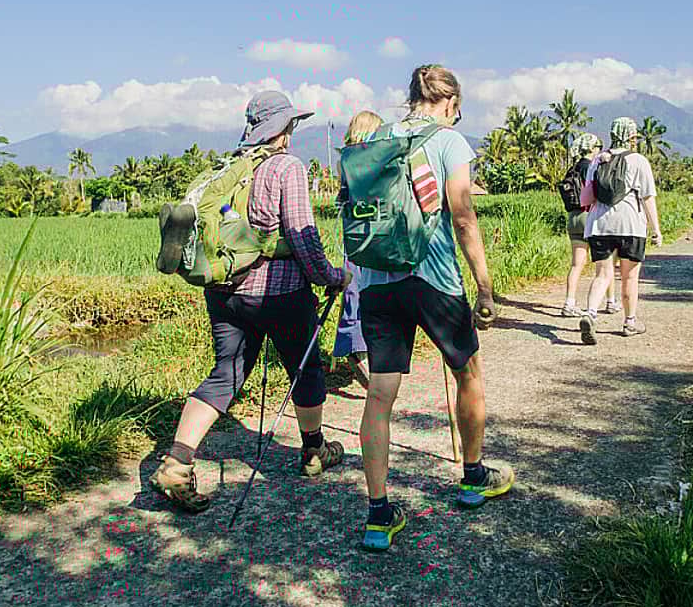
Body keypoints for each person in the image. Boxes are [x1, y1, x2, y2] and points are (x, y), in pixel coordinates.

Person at [149, 91, 349, 513]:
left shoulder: (229, 170)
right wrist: (331, 277)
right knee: (305, 367)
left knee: (226, 373)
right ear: (283, 128)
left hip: (223, 293)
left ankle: (177, 460)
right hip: (280, 294)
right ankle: (313, 451)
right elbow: (301, 235)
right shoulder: (286, 166)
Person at [355, 64, 513, 552]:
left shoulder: (376, 136)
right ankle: (472, 478)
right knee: (469, 373)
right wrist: (484, 286)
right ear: (450, 102)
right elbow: (462, 216)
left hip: (377, 280)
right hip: (433, 280)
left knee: (380, 395)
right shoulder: (448, 141)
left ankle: (379, 515)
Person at [578, 117, 663, 345]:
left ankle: (590, 313)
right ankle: (629, 322)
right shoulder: (639, 160)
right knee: (630, 276)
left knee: (602, 274)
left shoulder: (597, 160)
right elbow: (647, 198)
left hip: (599, 224)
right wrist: (656, 230)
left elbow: (588, 194)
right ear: (632, 136)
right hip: (631, 225)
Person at [331, 110, 384, 389]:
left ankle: (355, 345)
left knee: (355, 290)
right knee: (366, 290)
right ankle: (358, 349)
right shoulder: (366, 162)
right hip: (370, 236)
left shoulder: (345, 160)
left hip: (352, 237)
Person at [561, 132, 620, 317]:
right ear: (592, 148)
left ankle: (569, 303)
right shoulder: (591, 167)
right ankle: (610, 301)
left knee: (576, 264)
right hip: (589, 216)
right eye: (598, 146)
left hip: (573, 217)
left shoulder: (573, 168)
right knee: (605, 263)